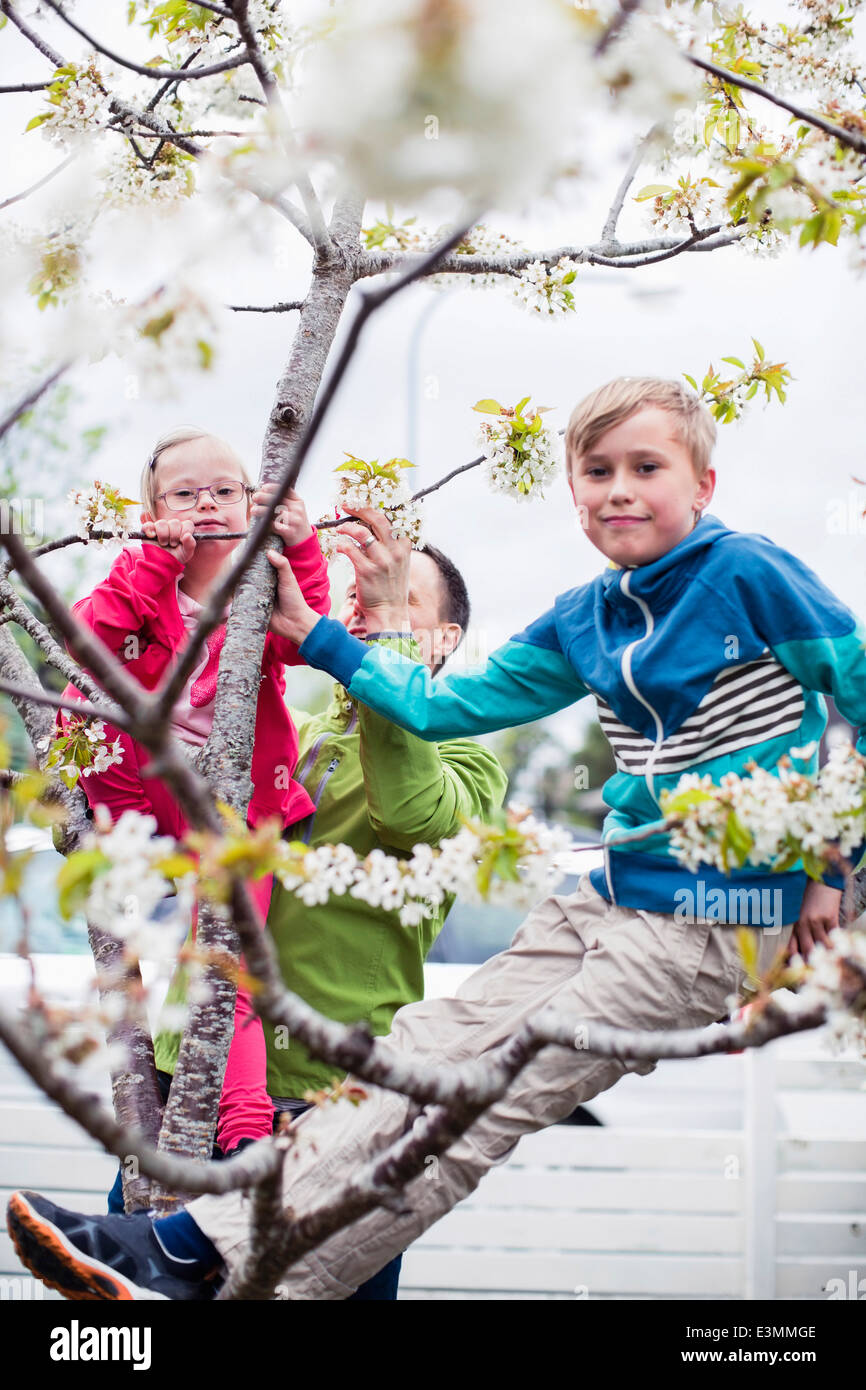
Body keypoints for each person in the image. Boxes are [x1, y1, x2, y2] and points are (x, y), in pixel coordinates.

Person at [9, 377, 864, 1301]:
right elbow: (445, 703)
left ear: (702, 482)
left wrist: (834, 874)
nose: (619, 489)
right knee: (417, 1070)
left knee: (479, 1109)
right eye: (598, 470)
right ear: (574, 494)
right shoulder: (582, 619)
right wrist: (324, 635)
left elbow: (854, 695)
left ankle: (193, 1258)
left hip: (712, 913)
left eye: (646, 468)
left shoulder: (749, 573)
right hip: (605, 899)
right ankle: (196, 1261)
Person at [150, 534, 508, 1299]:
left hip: (331, 1113)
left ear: (443, 640)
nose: (367, 608)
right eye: (359, 596)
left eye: (398, 600)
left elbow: (410, 812)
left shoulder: (470, 759)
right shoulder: (296, 736)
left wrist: (380, 642)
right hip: (206, 1092)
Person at [59, 425, 330, 1164]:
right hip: (141, 807)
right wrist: (151, 563)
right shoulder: (137, 585)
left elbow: (308, 638)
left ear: (253, 503)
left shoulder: (262, 591)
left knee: (225, 970)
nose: (206, 504)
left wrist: (300, 548)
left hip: (240, 809)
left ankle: (244, 1135)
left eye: (224, 491)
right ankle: (188, 1136)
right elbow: (86, 657)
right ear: (152, 513)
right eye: (185, 494)